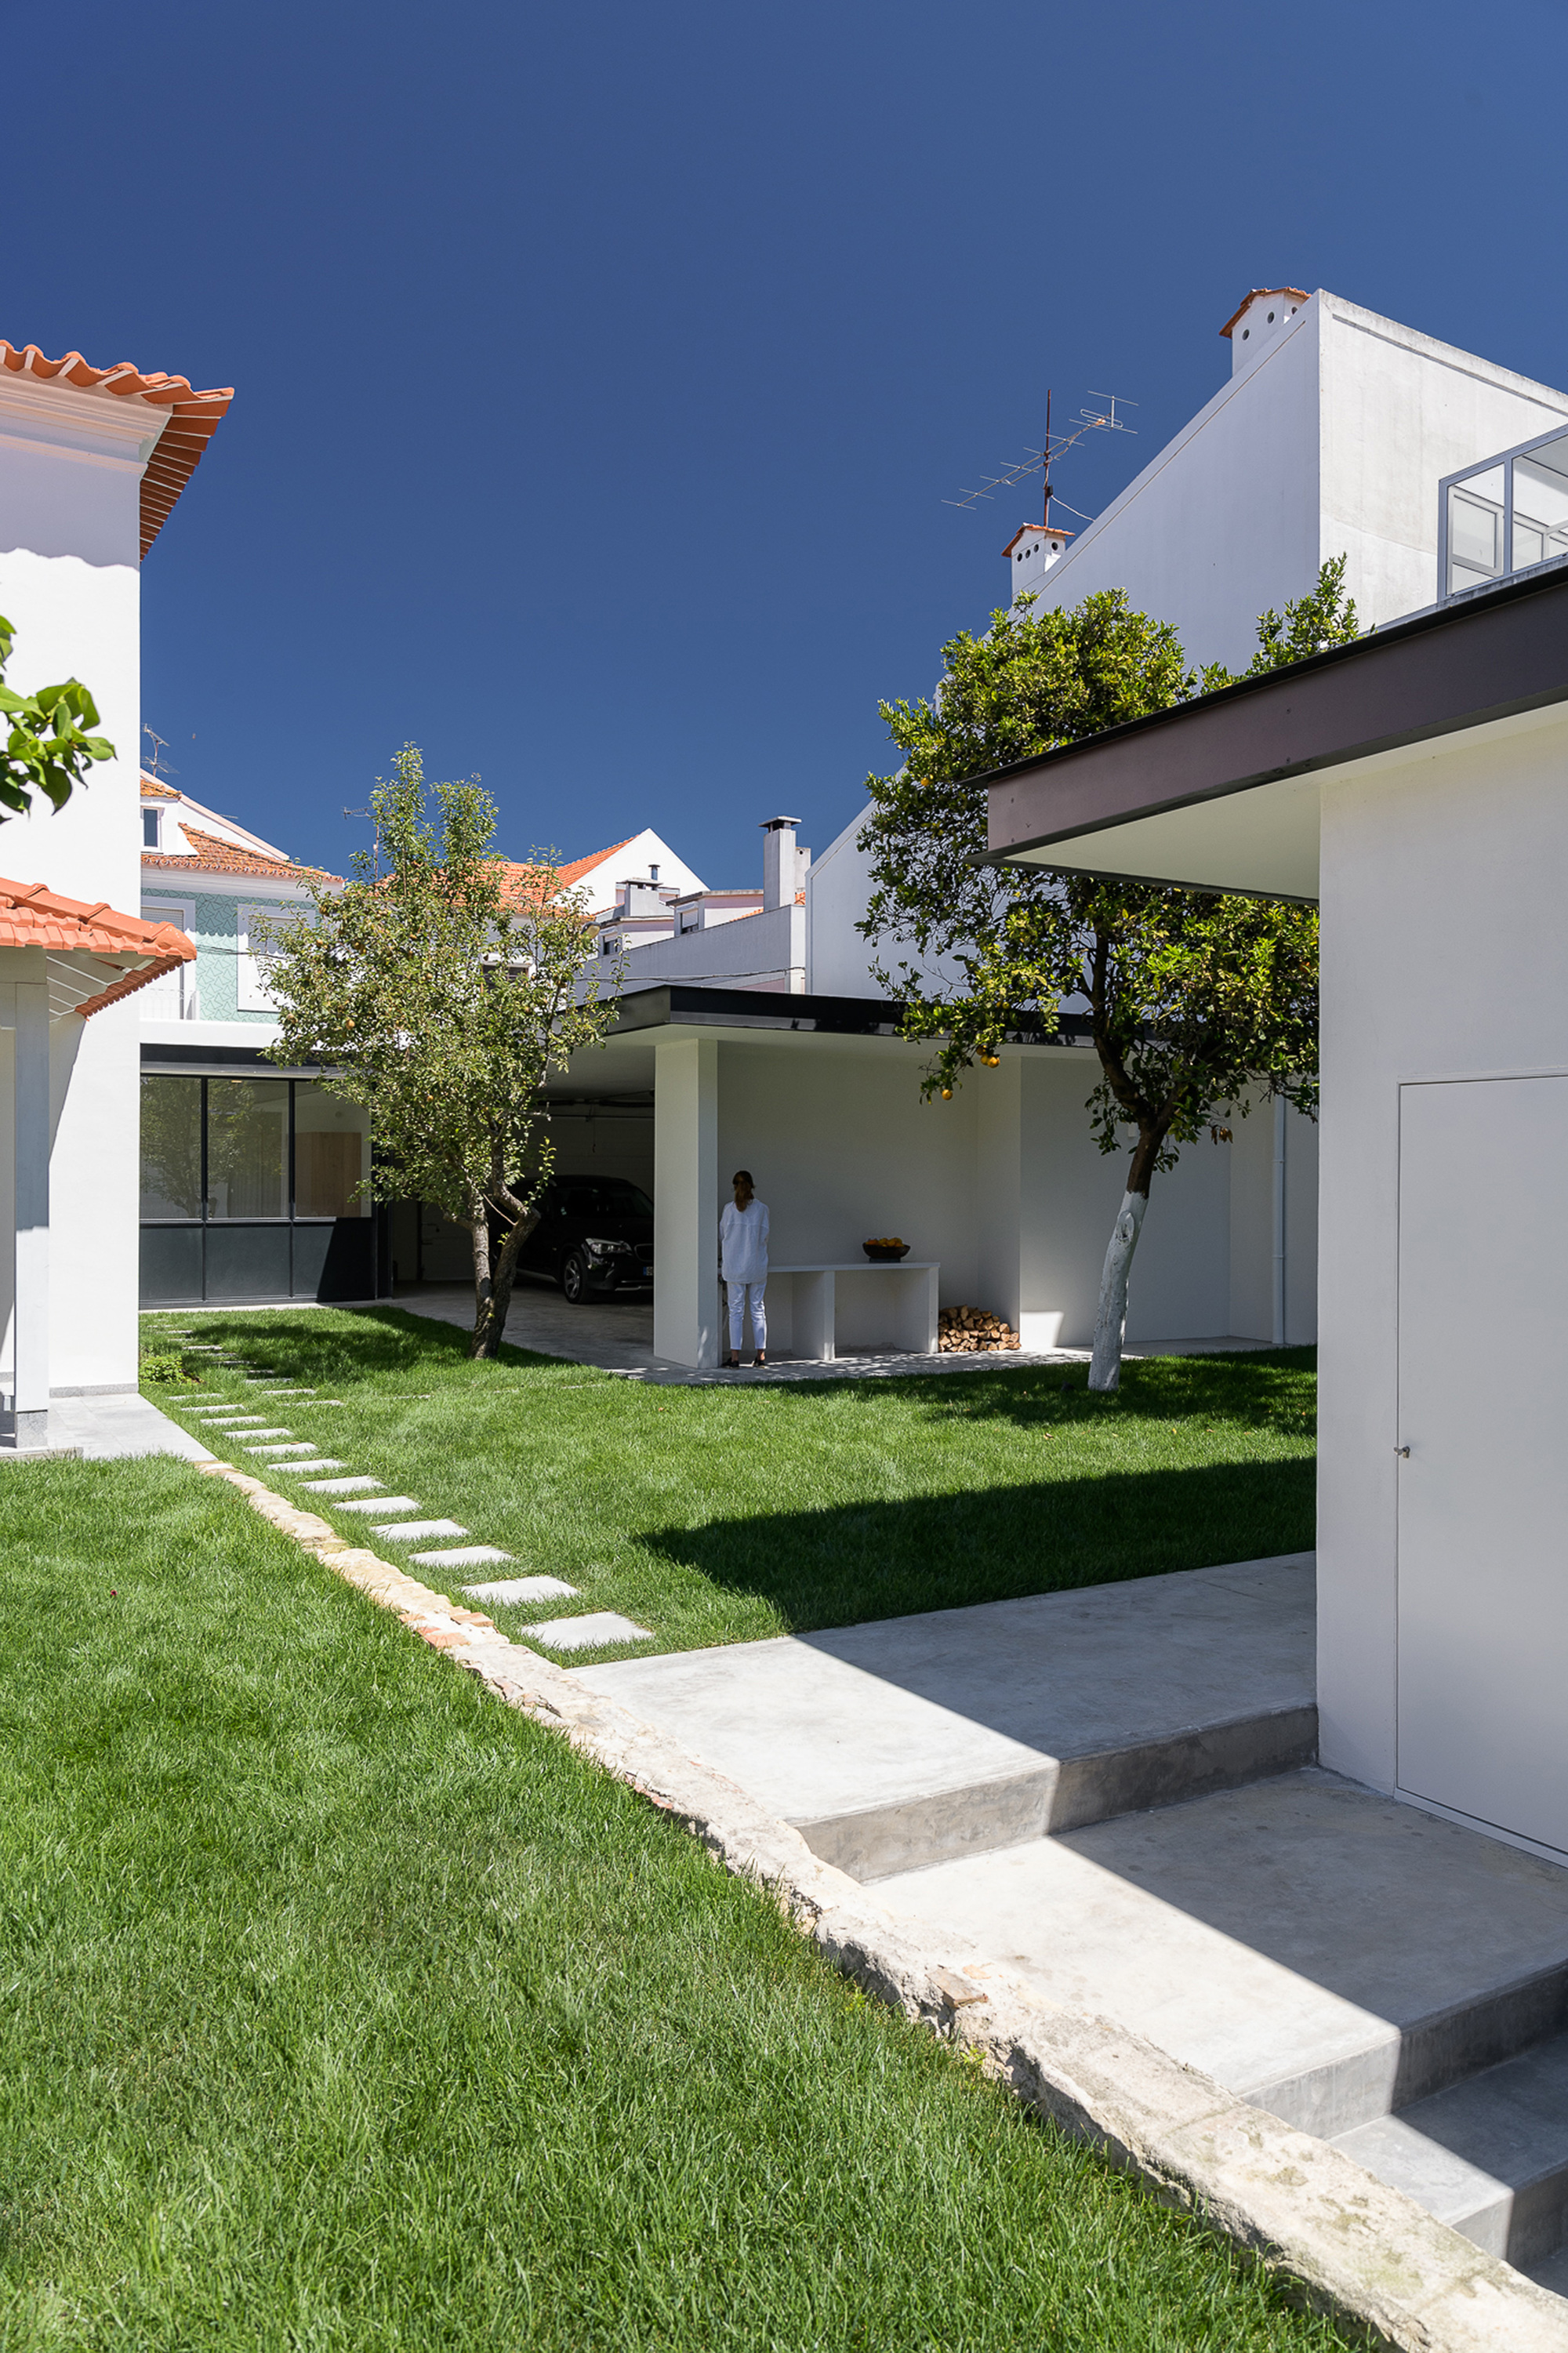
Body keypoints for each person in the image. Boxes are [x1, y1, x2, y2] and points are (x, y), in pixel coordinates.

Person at [720, 1168, 768, 1367]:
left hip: (734, 1267)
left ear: (734, 1187)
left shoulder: (729, 1210)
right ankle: (761, 1356)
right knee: (758, 1309)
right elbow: (765, 1237)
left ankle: (735, 1357)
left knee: (735, 1311)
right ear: (752, 1186)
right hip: (756, 1265)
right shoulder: (762, 1209)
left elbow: (722, 1236)